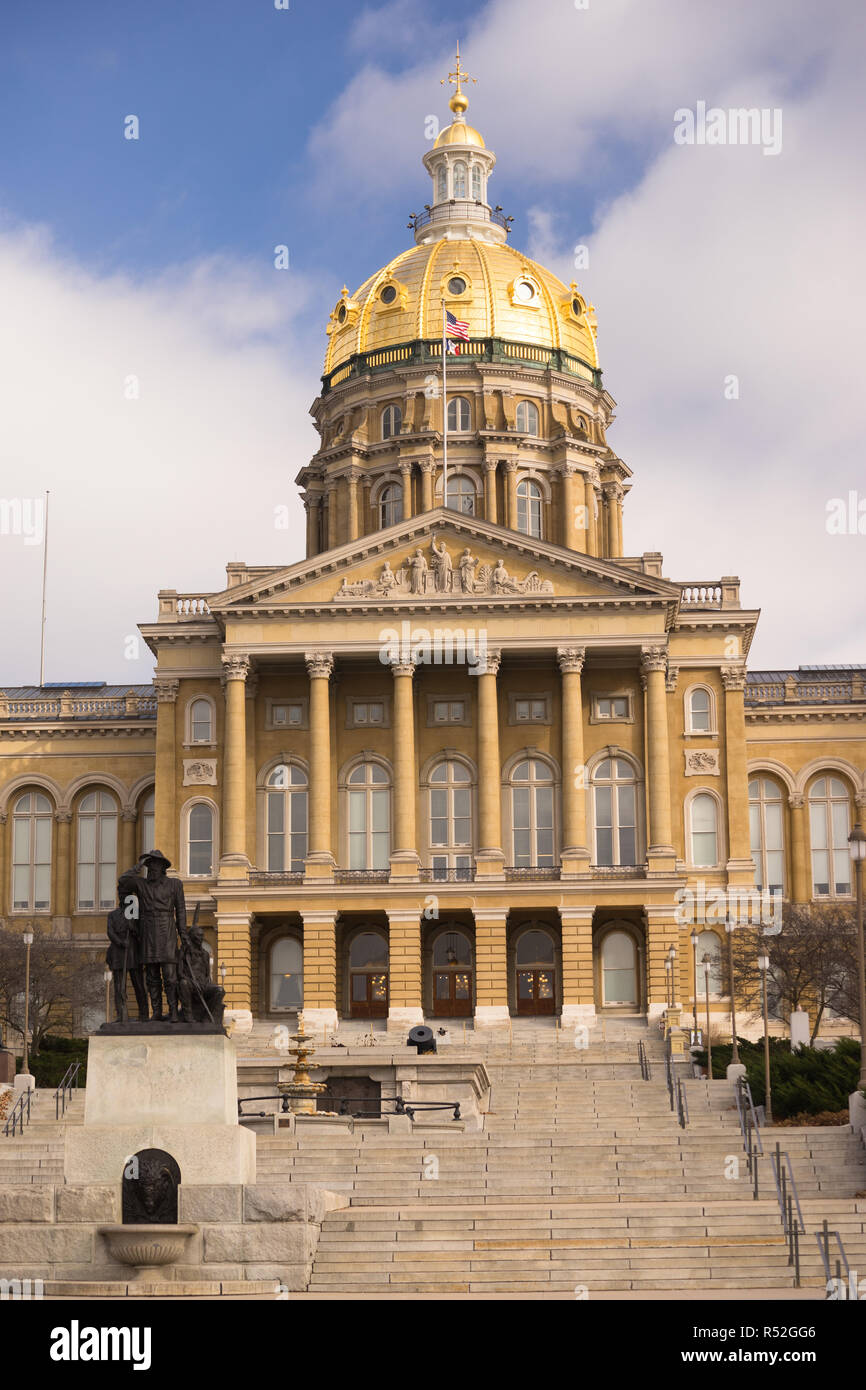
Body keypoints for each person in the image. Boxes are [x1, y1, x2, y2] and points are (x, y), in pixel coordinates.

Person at [119, 849, 188, 1023]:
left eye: (155, 867)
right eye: (149, 867)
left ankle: (173, 1010)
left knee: (170, 975)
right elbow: (123, 882)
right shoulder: (141, 884)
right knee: (151, 975)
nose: (151, 871)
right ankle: (156, 1011)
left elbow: (180, 910)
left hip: (167, 929)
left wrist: (184, 933)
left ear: (162, 868)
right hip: (147, 929)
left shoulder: (175, 884)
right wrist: (137, 866)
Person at [106, 874, 148, 1022]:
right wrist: (120, 942)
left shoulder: (136, 914)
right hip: (118, 953)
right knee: (119, 987)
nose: (123, 897)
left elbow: (142, 933)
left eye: (126, 895)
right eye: (121, 895)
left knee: (138, 985)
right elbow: (110, 932)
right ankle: (121, 1014)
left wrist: (134, 929)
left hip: (133, 953)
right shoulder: (113, 915)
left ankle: (144, 1014)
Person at [178, 923, 225, 1025]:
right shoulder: (184, 953)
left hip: (203, 984)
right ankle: (188, 1015)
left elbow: (208, 974)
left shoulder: (205, 954)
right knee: (183, 983)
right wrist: (192, 981)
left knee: (220, 990)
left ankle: (207, 1017)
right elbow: (180, 973)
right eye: (198, 936)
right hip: (190, 983)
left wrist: (204, 983)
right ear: (192, 937)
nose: (201, 938)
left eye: (202, 935)